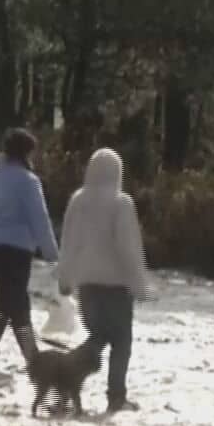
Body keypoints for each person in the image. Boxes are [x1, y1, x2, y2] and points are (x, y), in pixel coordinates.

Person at [56, 148, 154, 412]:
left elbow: (69, 242)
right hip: (116, 286)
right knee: (121, 343)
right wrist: (139, 284)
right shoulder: (121, 203)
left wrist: (65, 277)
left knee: (98, 336)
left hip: (87, 284)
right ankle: (116, 396)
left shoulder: (78, 200)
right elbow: (128, 248)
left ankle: (64, 381)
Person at [0, 128, 61, 376]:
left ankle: (30, 361)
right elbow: (39, 219)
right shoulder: (27, 181)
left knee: (13, 304)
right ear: (27, 152)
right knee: (9, 306)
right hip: (16, 250)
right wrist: (53, 254)